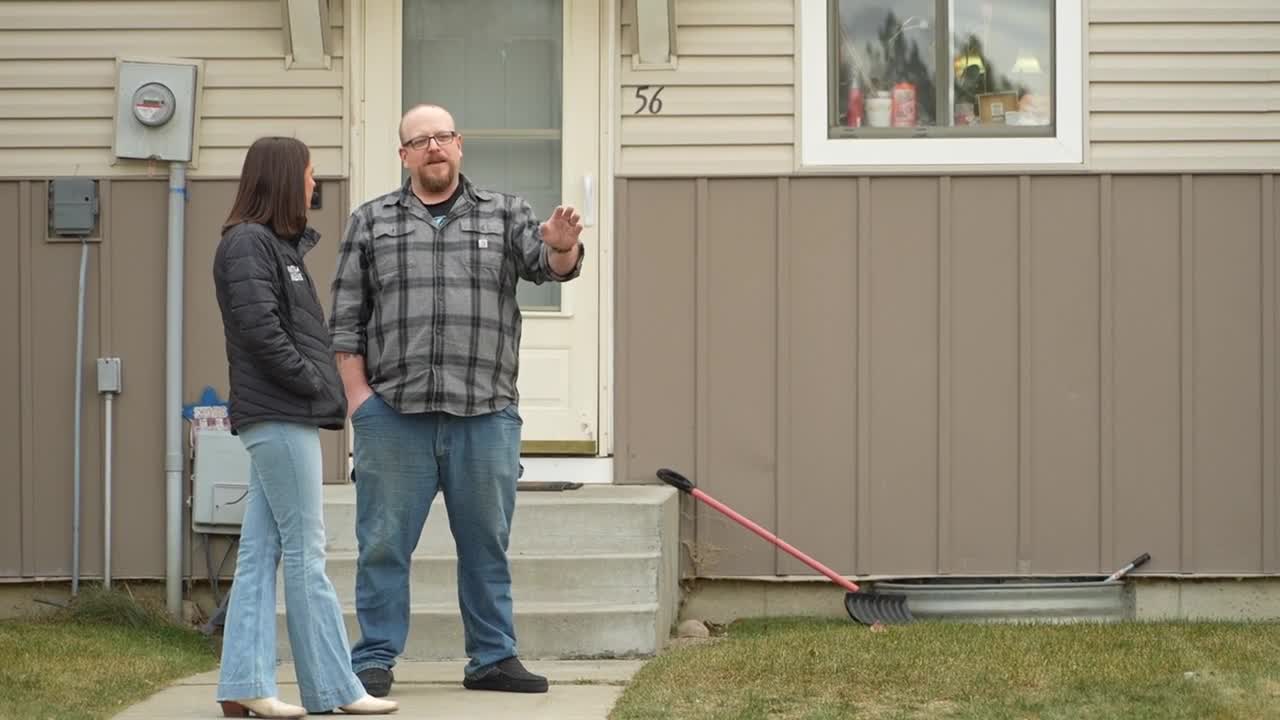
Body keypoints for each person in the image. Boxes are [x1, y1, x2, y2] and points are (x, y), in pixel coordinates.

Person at [329, 104, 584, 697]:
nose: (433, 147)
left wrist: (565, 247)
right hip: (393, 416)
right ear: (404, 156)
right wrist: (360, 401)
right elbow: (344, 320)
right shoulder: (371, 221)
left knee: (485, 545)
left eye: (442, 137)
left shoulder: (505, 213)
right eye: (420, 141)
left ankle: (492, 658)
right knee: (384, 546)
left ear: (460, 145)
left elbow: (547, 265)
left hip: (485, 413)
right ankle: (374, 657)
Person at [212, 136, 400, 718]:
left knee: (261, 550)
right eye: (310, 174)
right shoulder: (247, 244)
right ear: (284, 177)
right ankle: (334, 690)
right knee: (305, 552)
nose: (315, 185)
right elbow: (261, 333)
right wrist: (319, 387)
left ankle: (243, 683)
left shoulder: (275, 247)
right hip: (279, 414)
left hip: (282, 413)